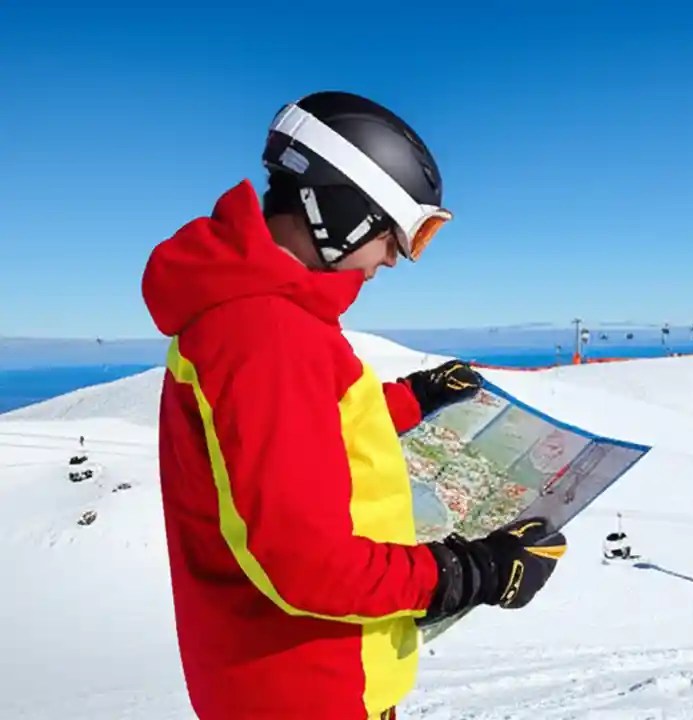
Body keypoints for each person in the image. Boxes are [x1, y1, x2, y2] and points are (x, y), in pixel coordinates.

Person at [140, 90, 567, 720]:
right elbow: (304, 565)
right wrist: (468, 573)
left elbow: (315, 428)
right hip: (305, 687)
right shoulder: (266, 335)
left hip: (293, 678)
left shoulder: (268, 318)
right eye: (400, 233)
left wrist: (412, 400)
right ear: (340, 211)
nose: (396, 257)